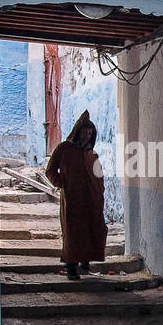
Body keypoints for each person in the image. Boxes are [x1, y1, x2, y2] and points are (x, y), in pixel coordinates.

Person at [45, 111, 107, 280]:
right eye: (84, 132)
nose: (87, 136)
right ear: (77, 131)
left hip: (91, 200)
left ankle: (86, 260)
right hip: (72, 199)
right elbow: (50, 171)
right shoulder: (63, 149)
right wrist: (62, 184)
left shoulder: (91, 154)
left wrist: (99, 191)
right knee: (73, 232)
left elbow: (98, 174)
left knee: (92, 228)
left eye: (90, 133)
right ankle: (71, 266)